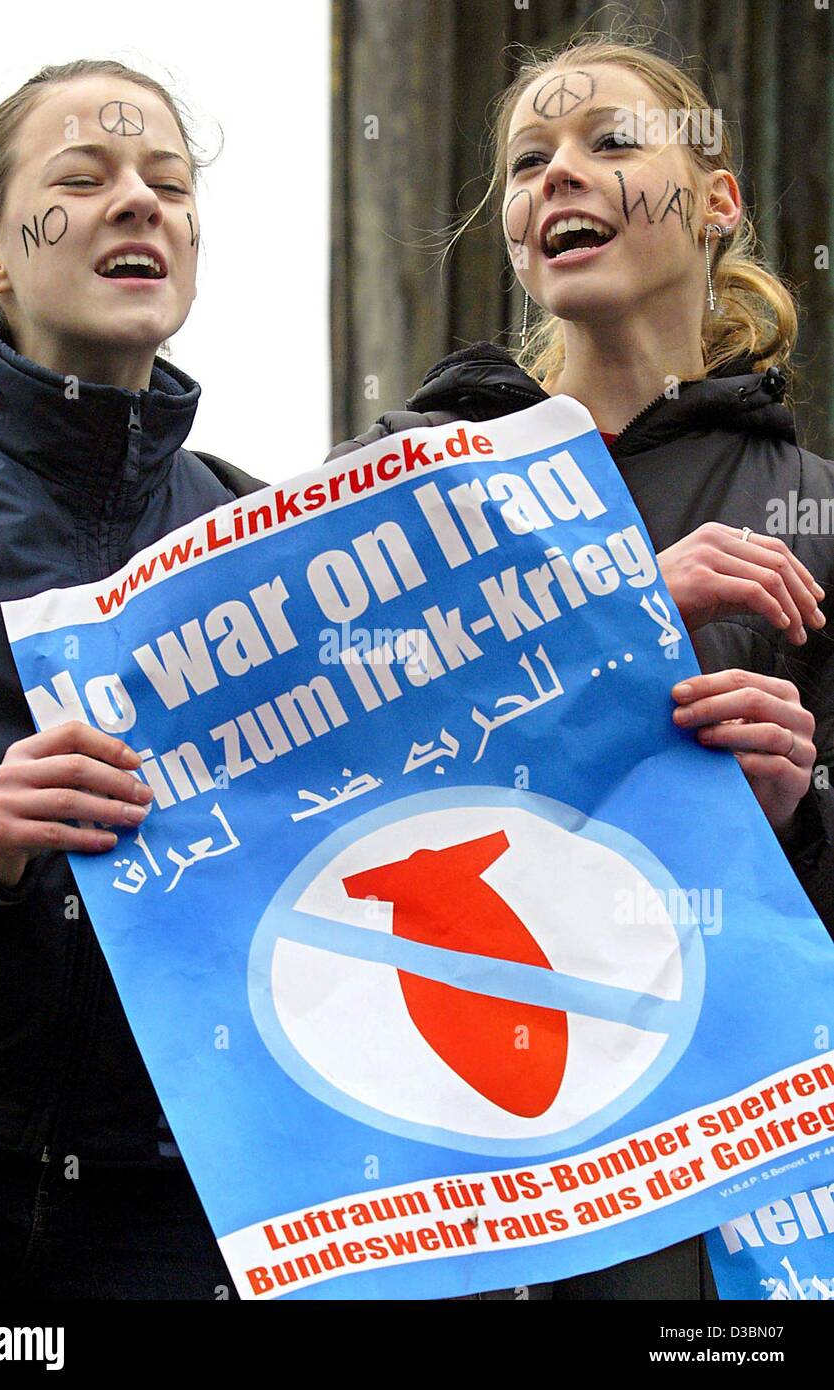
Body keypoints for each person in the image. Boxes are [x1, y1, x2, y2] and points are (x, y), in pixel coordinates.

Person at [326, 33, 834, 1299]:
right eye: (525, 162)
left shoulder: (817, 517)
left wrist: (792, 815)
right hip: (430, 1157)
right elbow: (317, 768)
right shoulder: (401, 483)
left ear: (717, 202)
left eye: (610, 144)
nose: (557, 176)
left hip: (708, 1183)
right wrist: (610, 609)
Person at [0, 59, 262, 1299]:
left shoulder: (254, 528)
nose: (140, 203)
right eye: (86, 178)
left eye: (169, 184)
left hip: (175, 1208)